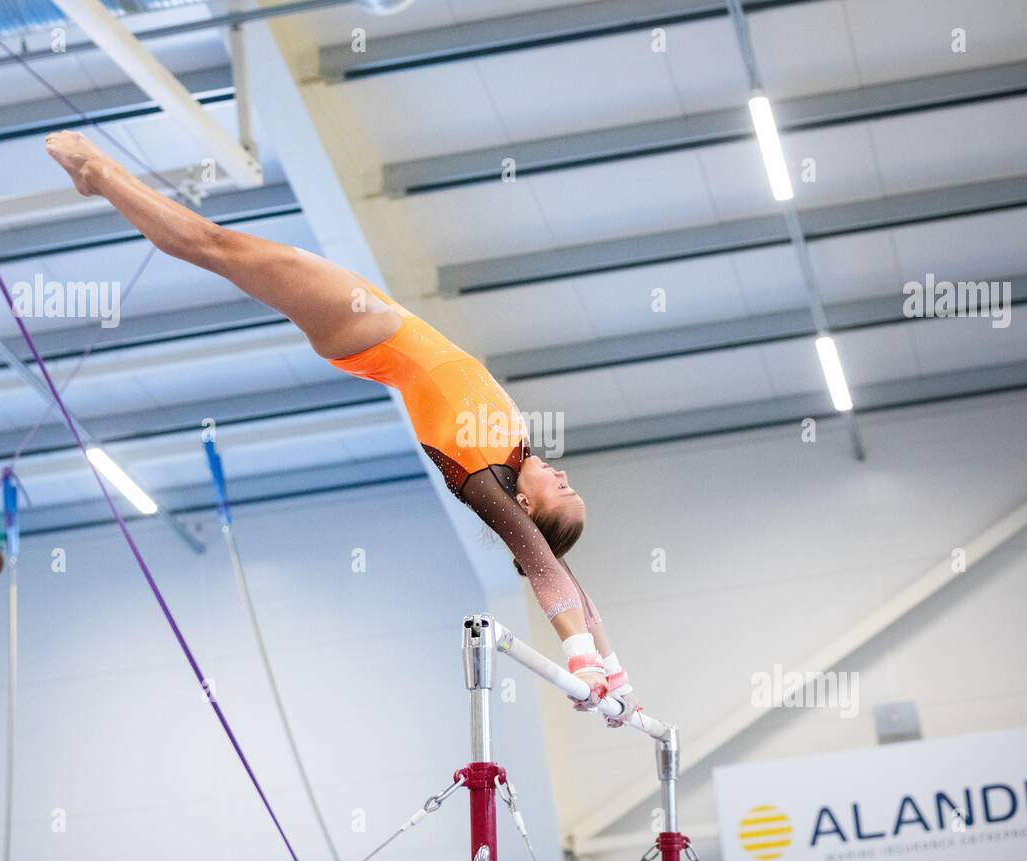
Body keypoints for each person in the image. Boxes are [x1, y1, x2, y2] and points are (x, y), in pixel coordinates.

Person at [44, 131, 640, 723]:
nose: (563, 475)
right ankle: (97, 175)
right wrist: (615, 673)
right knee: (217, 246)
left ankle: (95, 173)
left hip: (367, 329)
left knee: (214, 245)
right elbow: (565, 576)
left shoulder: (483, 475)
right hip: (378, 317)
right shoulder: (513, 450)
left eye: (562, 492)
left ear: (526, 509)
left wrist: (579, 661)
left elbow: (540, 565)